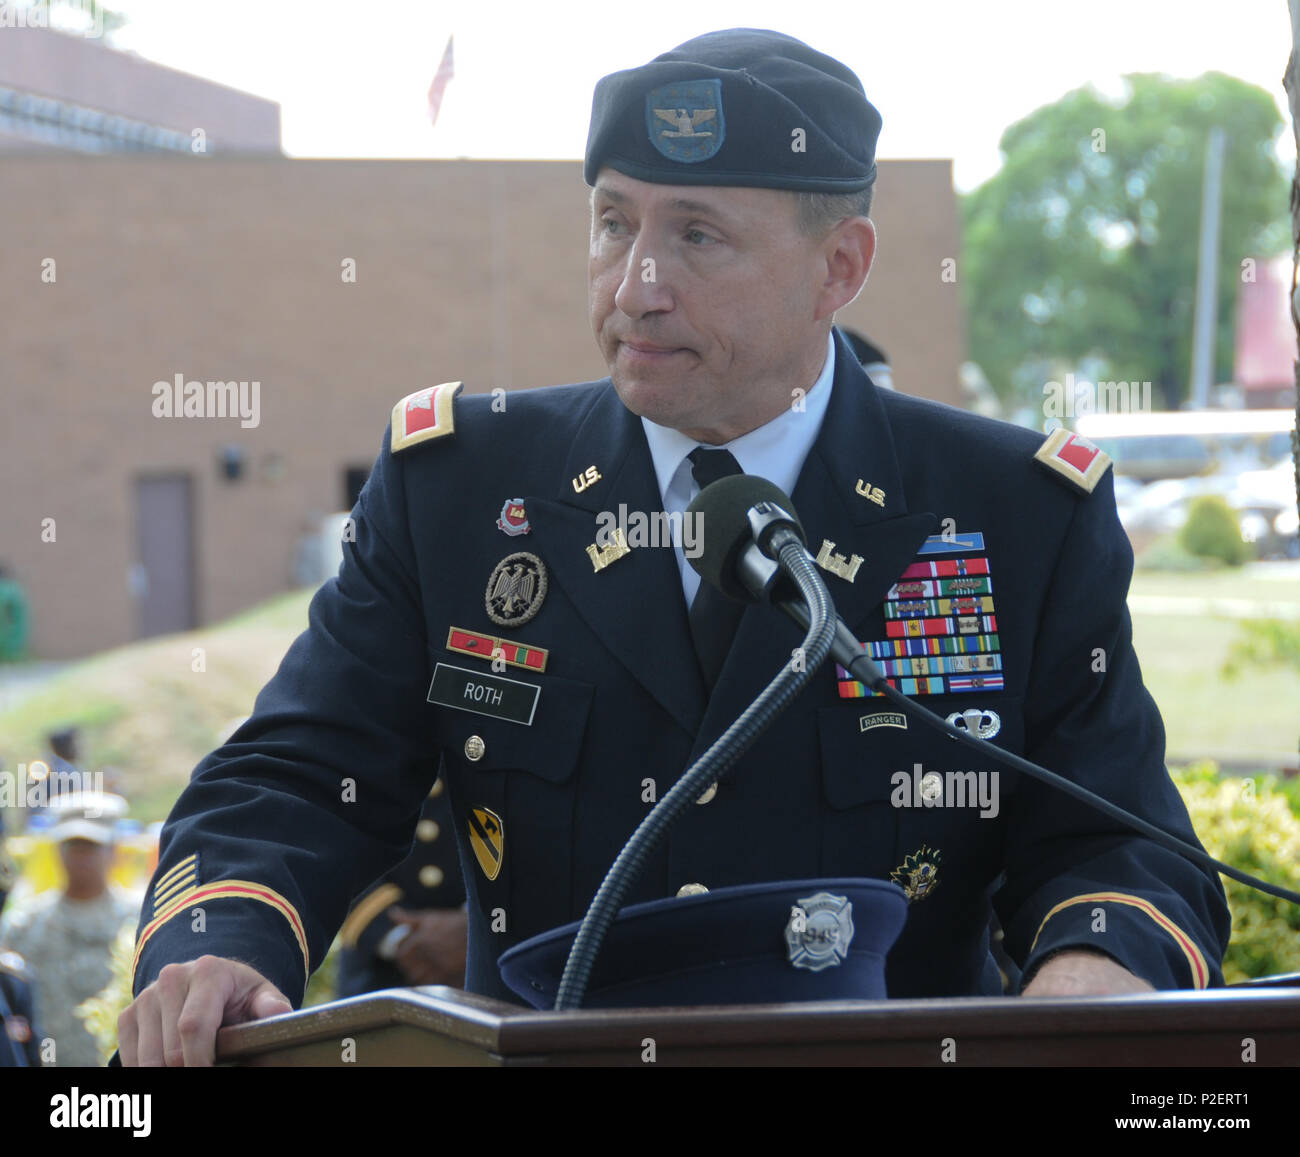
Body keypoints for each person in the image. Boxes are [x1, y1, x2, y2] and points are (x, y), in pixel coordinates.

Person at [118, 28, 1229, 1066]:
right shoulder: (459, 490)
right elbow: (302, 776)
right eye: (613, 222)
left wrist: (1096, 966)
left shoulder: (1012, 511)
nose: (635, 285)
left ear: (838, 266)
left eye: (695, 234)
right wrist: (220, 942)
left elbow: (1115, 836)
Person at [1, 792, 137, 1066]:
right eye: (73, 845)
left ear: (115, 849)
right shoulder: (23, 925)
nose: (81, 857)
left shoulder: (140, 921)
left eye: (91, 846)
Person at [335, 778, 467, 996]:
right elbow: (327, 837)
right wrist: (399, 938)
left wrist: (475, 928)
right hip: (378, 971)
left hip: (502, 962)